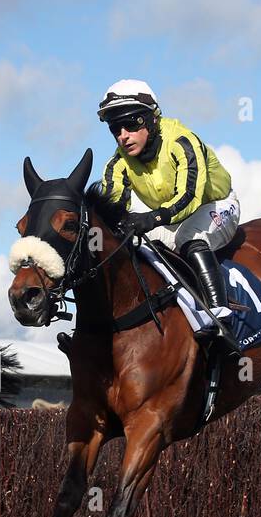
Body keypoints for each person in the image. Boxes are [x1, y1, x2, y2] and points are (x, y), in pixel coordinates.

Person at [96, 79, 240, 352]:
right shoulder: (117, 163)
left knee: (191, 237)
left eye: (131, 124)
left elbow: (189, 197)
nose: (123, 135)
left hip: (216, 205)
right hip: (172, 215)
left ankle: (221, 317)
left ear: (151, 119)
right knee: (137, 246)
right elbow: (111, 207)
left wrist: (150, 219)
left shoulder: (182, 141)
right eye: (115, 128)